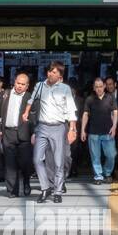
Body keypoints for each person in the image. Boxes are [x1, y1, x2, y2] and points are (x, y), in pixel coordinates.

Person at [22, 61, 78, 204]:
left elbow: (71, 109)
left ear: (60, 75)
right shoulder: (39, 85)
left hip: (58, 127)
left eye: (54, 72)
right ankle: (45, 187)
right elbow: (31, 99)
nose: (50, 74)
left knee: (59, 162)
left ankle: (57, 191)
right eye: (49, 71)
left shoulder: (65, 89)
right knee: (37, 159)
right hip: (42, 127)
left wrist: (72, 129)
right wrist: (26, 112)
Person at [0, 72, 34, 198]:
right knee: (10, 163)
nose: (20, 86)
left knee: (25, 162)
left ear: (27, 86)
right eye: (18, 83)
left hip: (24, 134)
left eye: (23, 84)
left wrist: (34, 132)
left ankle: (26, 181)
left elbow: (35, 116)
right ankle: (12, 190)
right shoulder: (4, 94)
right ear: (14, 82)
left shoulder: (30, 97)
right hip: (8, 132)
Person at [81, 77, 118, 185]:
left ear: (104, 86)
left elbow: (115, 112)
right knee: (95, 156)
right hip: (93, 132)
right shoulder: (89, 99)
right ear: (93, 88)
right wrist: (83, 130)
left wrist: (114, 126)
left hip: (108, 132)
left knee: (111, 155)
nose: (99, 89)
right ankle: (98, 176)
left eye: (101, 86)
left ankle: (107, 173)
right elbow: (85, 114)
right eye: (96, 87)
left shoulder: (110, 98)